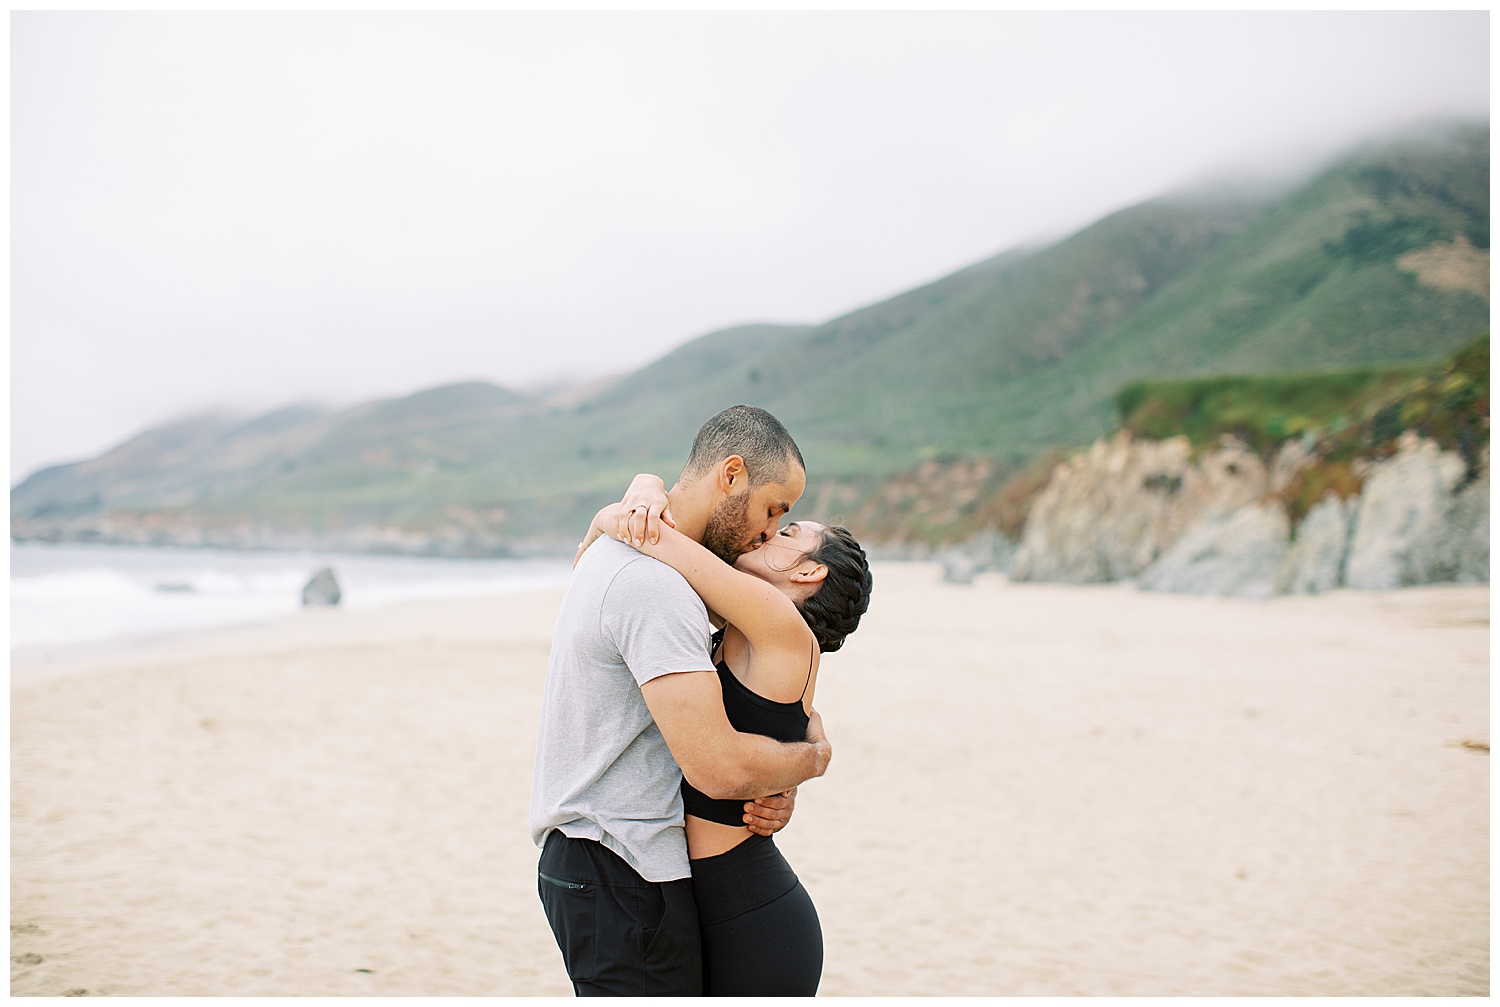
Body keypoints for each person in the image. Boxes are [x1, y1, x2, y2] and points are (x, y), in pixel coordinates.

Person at [529, 405, 831, 997]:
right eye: (773, 509)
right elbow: (718, 768)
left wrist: (639, 495)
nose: (770, 531)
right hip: (619, 861)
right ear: (732, 474)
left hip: (612, 859)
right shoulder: (655, 586)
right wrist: (810, 760)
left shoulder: (662, 568)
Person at [579, 474, 873, 996]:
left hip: (753, 918)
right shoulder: (747, 632)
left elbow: (648, 537)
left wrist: (628, 502)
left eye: (789, 533)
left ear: (808, 571)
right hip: (710, 903)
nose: (768, 534)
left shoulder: (780, 625)